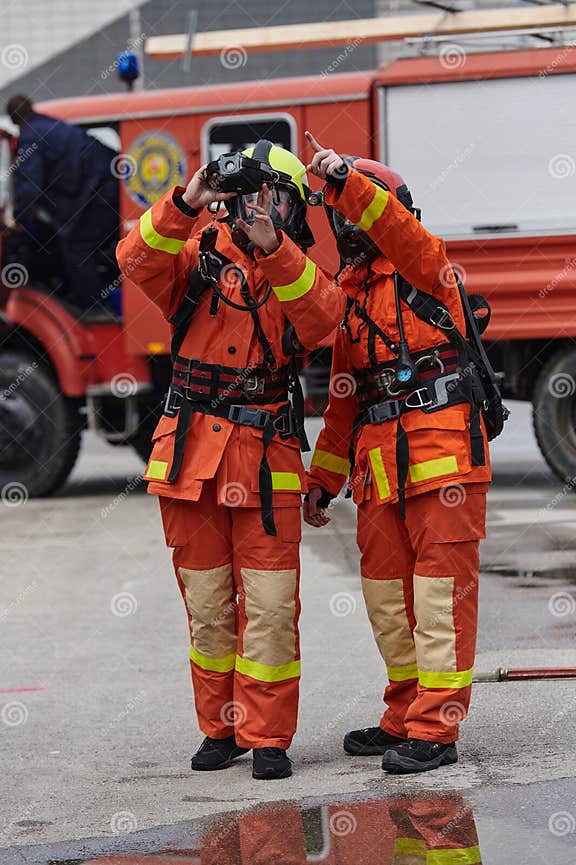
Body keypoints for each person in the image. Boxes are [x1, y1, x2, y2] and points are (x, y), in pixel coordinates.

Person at [116, 140, 344, 780]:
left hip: (266, 461)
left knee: (271, 608)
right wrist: (189, 199)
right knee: (208, 603)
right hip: (192, 459)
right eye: (251, 194)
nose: (261, 207)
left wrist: (273, 248)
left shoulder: (297, 269)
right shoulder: (197, 256)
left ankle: (268, 737)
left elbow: (323, 321)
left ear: (294, 209)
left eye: (276, 199)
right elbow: (133, 258)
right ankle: (221, 728)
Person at [304, 131, 492, 775]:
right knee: (388, 601)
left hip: (444, 460)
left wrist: (343, 180)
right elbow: (343, 400)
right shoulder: (350, 298)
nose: (341, 227)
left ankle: (437, 727)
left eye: (347, 214)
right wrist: (321, 480)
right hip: (379, 471)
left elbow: (400, 234)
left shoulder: (426, 266)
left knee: (440, 599)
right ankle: (405, 712)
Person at [6, 94, 119, 316]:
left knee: (76, 248)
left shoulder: (30, 136)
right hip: (108, 189)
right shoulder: (51, 125)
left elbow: (29, 187)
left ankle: (95, 310)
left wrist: (18, 218)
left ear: (14, 120)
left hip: (97, 196)